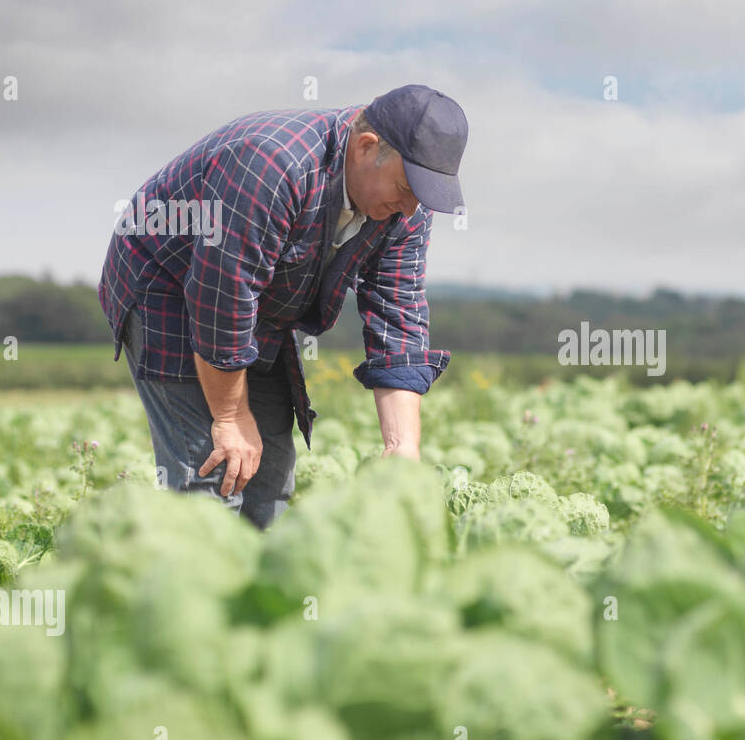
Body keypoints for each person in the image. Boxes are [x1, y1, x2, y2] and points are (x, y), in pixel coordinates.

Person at [98, 85, 468, 529]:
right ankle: (191, 584)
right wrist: (230, 417)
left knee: (269, 476)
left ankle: (261, 590)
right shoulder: (272, 166)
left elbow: (398, 309)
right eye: (406, 188)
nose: (410, 210)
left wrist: (402, 447)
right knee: (216, 474)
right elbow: (223, 296)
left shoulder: (407, 207)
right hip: (169, 285)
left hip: (262, 302)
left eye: (423, 197)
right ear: (367, 148)